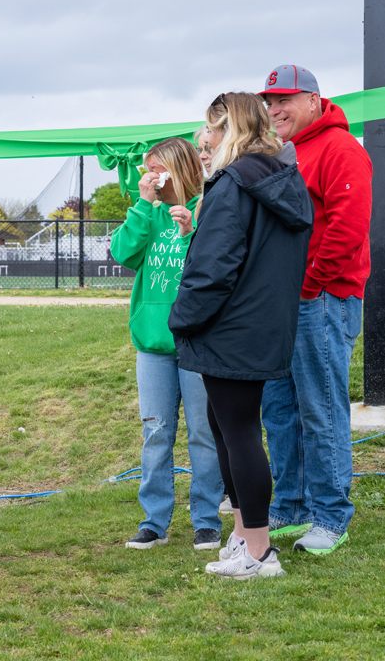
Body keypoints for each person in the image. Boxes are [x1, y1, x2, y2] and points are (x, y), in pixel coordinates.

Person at [169, 92, 313, 580]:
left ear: (229, 129)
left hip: (231, 329)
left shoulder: (232, 185)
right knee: (229, 427)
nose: (203, 139)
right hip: (260, 326)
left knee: (240, 433)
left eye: (209, 129)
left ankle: (259, 552)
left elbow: (213, 268)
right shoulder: (279, 178)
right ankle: (243, 536)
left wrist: (181, 319)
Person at [258, 65, 372, 555]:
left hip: (321, 299)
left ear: (314, 100)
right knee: (280, 408)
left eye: (284, 99)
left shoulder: (342, 149)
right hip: (285, 301)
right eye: (268, 102)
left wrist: (307, 286)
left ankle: (331, 516)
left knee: (320, 408)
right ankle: (291, 505)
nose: (274, 109)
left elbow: (347, 229)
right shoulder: (285, 151)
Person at [110, 137, 224, 552]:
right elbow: (122, 252)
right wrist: (144, 206)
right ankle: (154, 522)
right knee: (156, 431)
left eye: (154, 169)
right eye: (145, 170)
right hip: (153, 344)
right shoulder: (147, 212)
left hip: (197, 341)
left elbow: (217, 266)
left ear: (175, 169)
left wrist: (190, 232)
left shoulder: (205, 206)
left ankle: (206, 520)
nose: (148, 177)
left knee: (203, 434)